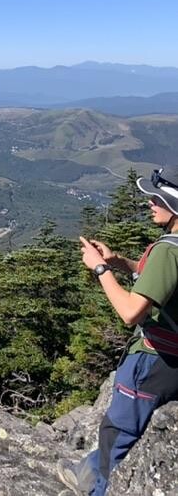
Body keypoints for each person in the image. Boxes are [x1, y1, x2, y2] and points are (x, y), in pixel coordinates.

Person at [64, 170, 178, 495]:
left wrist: (99, 269)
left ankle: (99, 487)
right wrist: (121, 263)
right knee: (126, 431)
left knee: (118, 433)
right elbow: (165, 282)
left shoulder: (168, 250)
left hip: (153, 360)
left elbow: (130, 312)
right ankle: (86, 470)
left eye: (158, 199)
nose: (150, 203)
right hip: (172, 361)